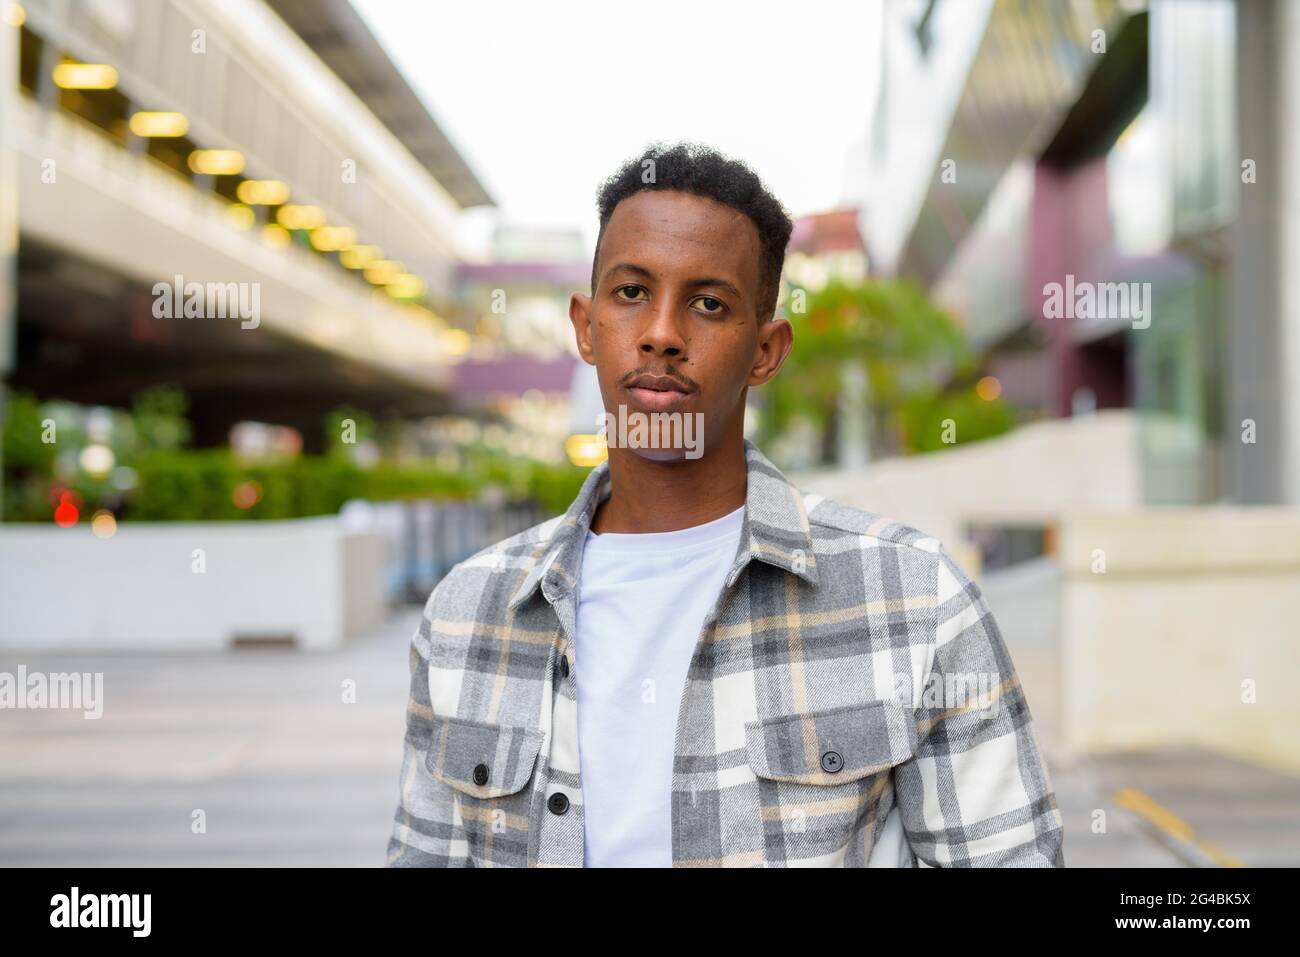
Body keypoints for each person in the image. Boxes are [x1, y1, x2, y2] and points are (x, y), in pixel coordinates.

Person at [386, 142, 1065, 868]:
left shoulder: (915, 600)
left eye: (709, 303)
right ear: (585, 326)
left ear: (766, 350)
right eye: (631, 293)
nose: (662, 334)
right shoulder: (467, 613)